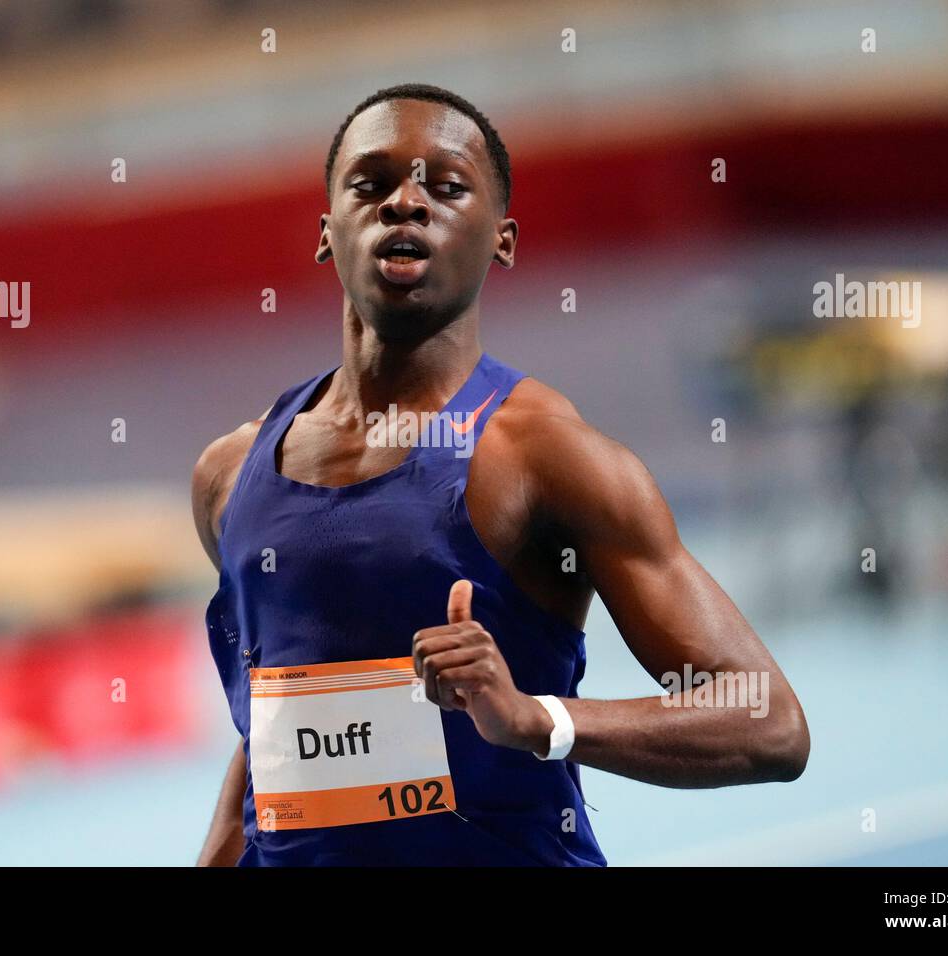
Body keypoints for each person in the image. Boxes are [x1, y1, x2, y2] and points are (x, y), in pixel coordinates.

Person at [192, 83, 809, 866]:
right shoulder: (231, 475)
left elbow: (770, 724)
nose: (405, 204)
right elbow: (272, 735)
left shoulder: (549, 456)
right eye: (372, 184)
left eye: (446, 187)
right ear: (326, 231)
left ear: (503, 240)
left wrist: (537, 719)